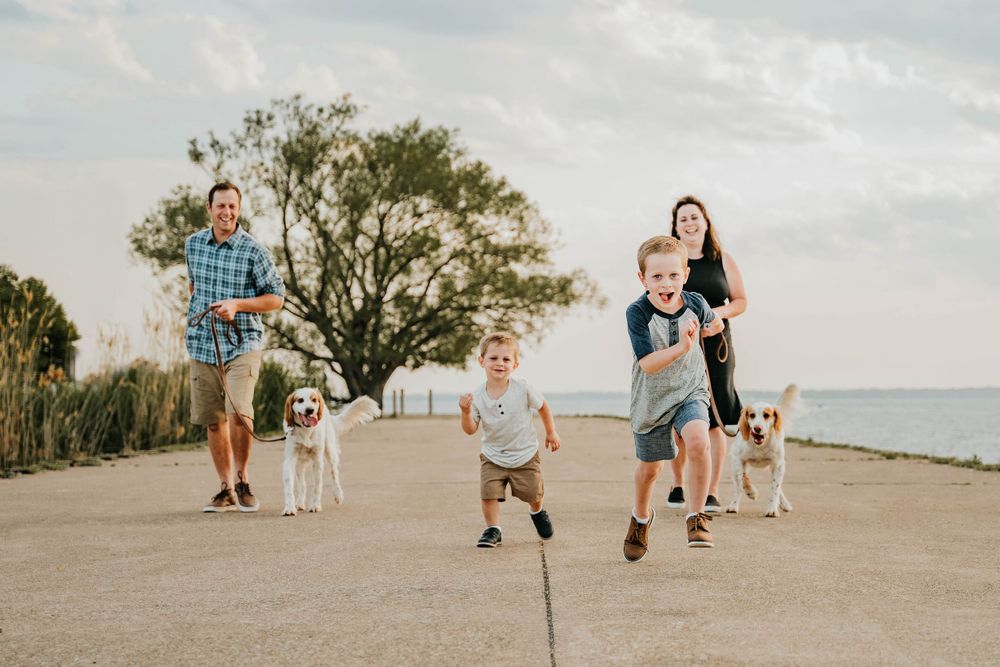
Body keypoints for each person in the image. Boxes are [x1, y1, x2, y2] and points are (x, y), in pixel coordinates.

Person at [186, 182, 285, 513]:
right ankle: (226, 488)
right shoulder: (193, 245)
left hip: (243, 342)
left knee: (240, 413)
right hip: (202, 343)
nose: (226, 212)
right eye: (220, 206)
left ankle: (243, 480)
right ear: (209, 207)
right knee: (214, 421)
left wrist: (238, 306)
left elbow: (276, 298)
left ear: (239, 209)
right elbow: (193, 285)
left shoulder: (254, 251)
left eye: (232, 206)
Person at [624, 236, 724, 560]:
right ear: (642, 279)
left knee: (697, 440)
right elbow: (648, 364)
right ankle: (641, 518)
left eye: (673, 275)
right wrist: (682, 347)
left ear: (685, 274)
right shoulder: (637, 312)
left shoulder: (695, 302)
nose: (666, 283)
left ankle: (697, 516)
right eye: (656, 277)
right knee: (650, 471)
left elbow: (715, 321)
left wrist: (711, 328)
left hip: (689, 390)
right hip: (652, 398)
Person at [665, 195, 747, 514]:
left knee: (714, 418)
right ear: (675, 226)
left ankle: (711, 490)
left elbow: (740, 300)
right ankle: (678, 482)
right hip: (680, 345)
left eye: (694, 217)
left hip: (717, 346)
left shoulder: (722, 259)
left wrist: (717, 315)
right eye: (682, 218)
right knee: (680, 418)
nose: (689, 223)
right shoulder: (671, 260)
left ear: (705, 222)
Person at [459, 332, 561, 548]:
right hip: (492, 456)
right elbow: (470, 429)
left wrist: (551, 432)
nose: (499, 363)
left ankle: (537, 512)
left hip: (525, 454)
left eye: (506, 359)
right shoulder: (477, 396)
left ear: (515, 364)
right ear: (481, 361)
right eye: (493, 358)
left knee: (533, 493)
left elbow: (542, 406)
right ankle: (493, 529)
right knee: (488, 494)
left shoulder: (522, 387)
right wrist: (465, 411)